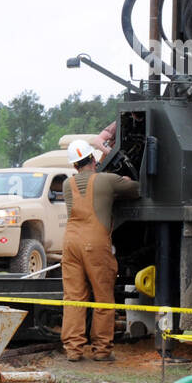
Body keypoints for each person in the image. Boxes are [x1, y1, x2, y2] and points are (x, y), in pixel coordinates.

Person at [61, 139, 140, 362]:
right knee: (103, 297)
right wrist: (125, 180)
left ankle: (74, 350)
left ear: (74, 166)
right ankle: (102, 350)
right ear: (93, 160)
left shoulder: (68, 185)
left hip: (70, 243)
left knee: (74, 298)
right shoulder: (107, 180)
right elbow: (136, 189)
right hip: (95, 244)